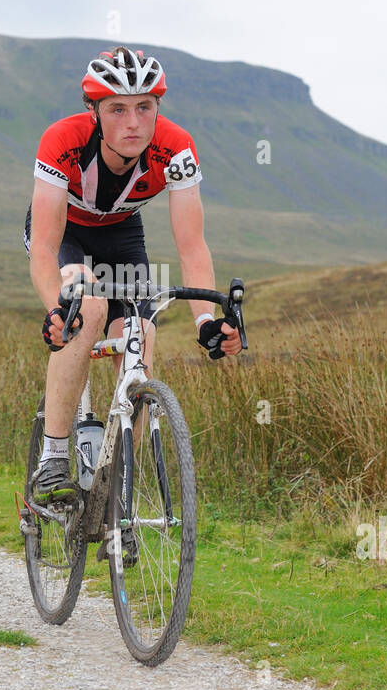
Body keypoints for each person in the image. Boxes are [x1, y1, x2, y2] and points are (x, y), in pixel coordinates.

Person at [23, 46, 242, 502]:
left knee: (142, 329)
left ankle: (117, 479)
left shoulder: (176, 147)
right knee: (87, 307)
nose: (133, 123)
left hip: (122, 234)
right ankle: (54, 457)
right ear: (94, 112)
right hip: (67, 232)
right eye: (117, 109)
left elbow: (192, 246)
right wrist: (55, 311)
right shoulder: (62, 140)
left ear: (157, 108)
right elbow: (43, 245)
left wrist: (206, 321)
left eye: (145, 107)